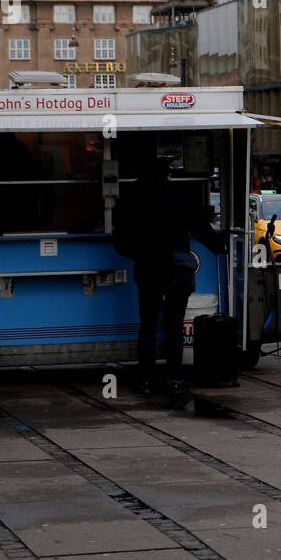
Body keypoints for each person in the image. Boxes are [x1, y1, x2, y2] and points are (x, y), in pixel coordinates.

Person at [114, 158, 219, 404]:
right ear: (166, 175)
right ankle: (174, 377)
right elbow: (200, 228)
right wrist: (219, 247)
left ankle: (146, 378)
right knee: (174, 325)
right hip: (176, 269)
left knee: (148, 324)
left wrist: (141, 254)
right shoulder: (179, 196)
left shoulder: (131, 196)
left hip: (149, 268)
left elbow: (120, 240)